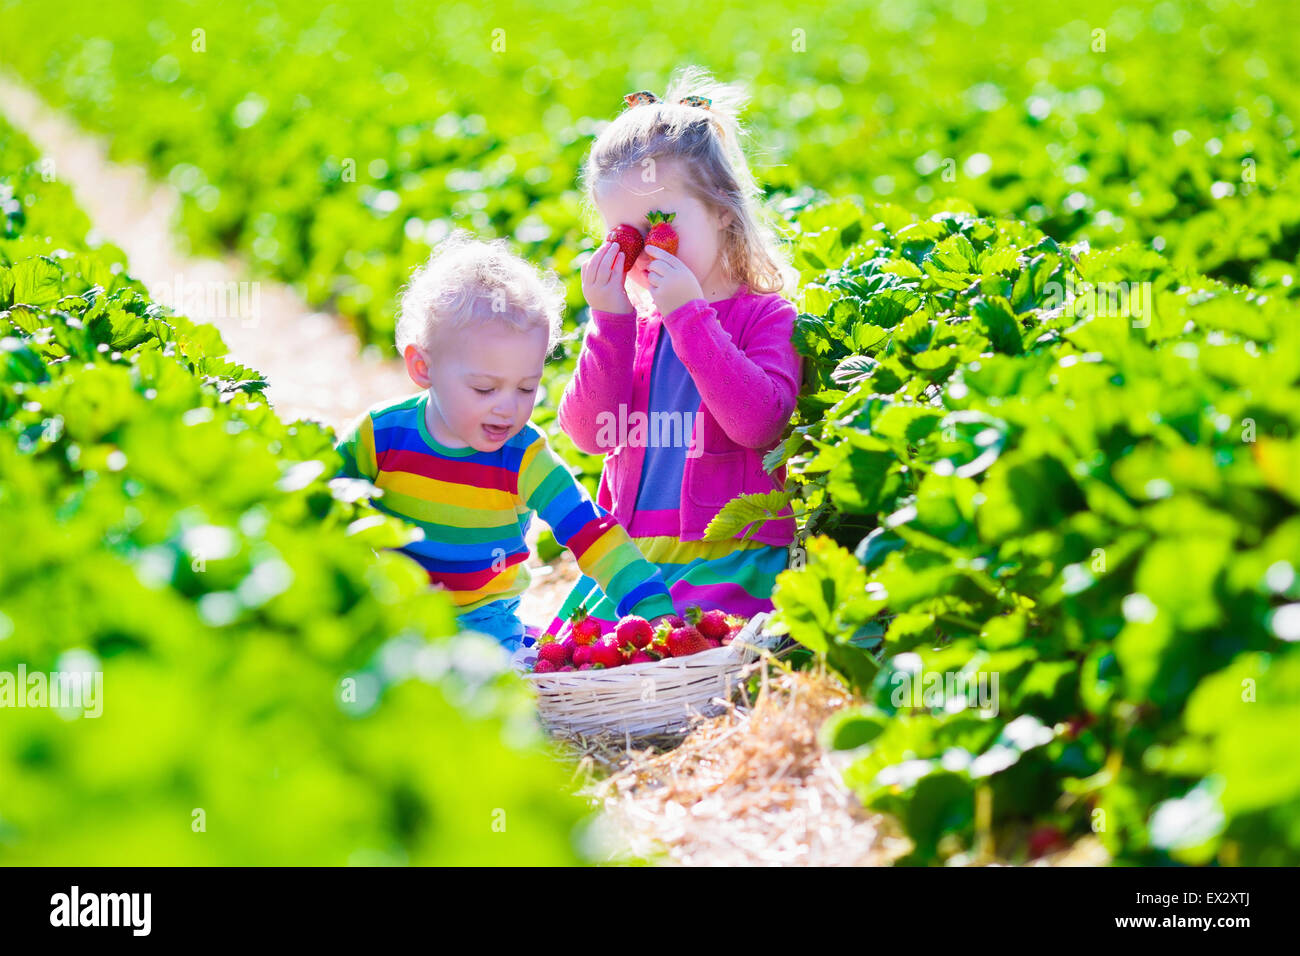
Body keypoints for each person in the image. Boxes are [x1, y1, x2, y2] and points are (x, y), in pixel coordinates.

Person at [545, 66, 801, 640]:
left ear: (722, 212)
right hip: (631, 559)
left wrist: (688, 314)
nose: (640, 244)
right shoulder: (632, 329)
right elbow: (590, 435)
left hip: (727, 553)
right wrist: (608, 319)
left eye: (662, 221)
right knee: (574, 654)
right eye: (621, 232)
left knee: (685, 649)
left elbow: (758, 423)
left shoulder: (766, 317)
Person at [334, 233, 676, 653]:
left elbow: (590, 531)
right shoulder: (380, 435)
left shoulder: (523, 456)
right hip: (387, 610)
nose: (507, 409)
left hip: (483, 622)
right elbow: (326, 506)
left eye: (526, 388)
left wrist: (651, 605)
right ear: (423, 367)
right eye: (483, 389)